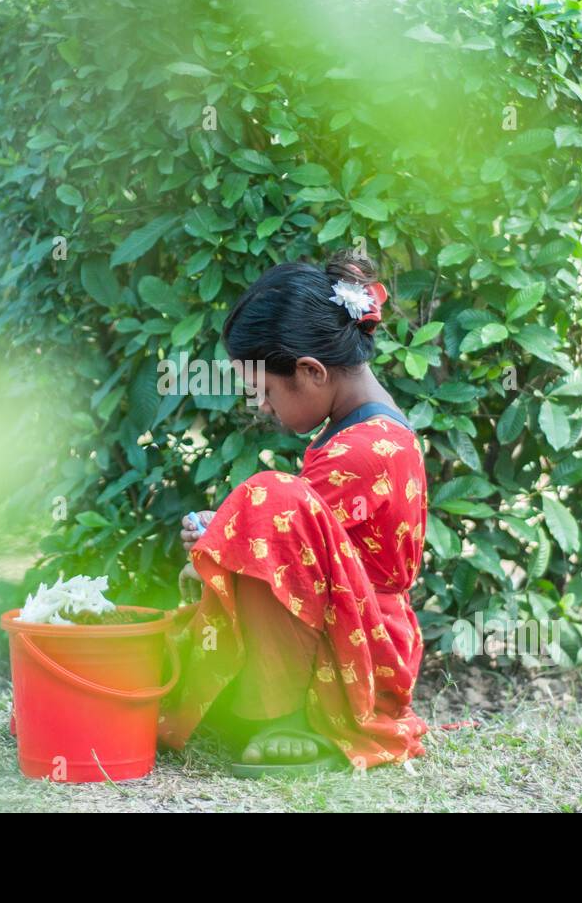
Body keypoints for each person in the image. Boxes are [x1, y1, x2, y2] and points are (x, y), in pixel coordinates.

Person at [157, 250, 431, 777]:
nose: (262, 407)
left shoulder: (364, 449)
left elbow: (283, 529)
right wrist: (225, 531)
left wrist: (215, 548)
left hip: (364, 654)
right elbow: (311, 537)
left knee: (270, 495)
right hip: (359, 633)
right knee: (265, 505)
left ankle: (287, 717)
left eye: (264, 392)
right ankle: (278, 705)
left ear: (310, 371)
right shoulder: (366, 428)